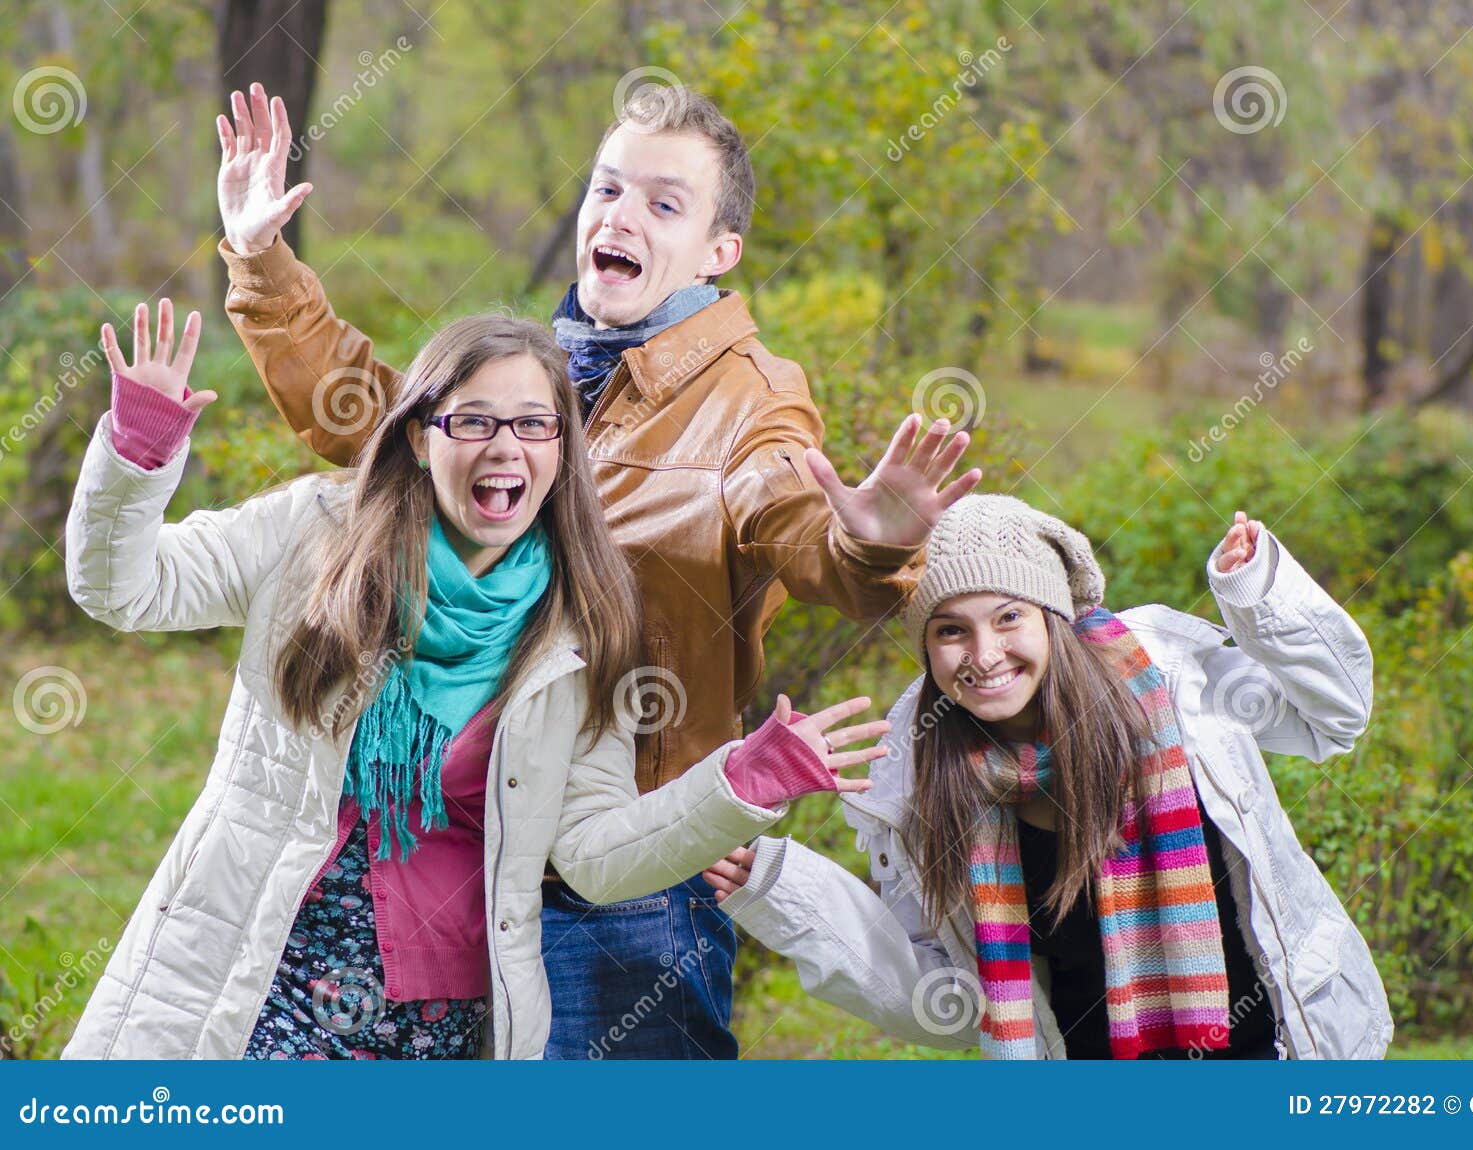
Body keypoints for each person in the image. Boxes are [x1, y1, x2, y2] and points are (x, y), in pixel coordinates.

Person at [210, 79, 979, 1059]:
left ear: (718, 252)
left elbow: (788, 513)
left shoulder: (753, 401)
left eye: (665, 203)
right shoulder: (537, 369)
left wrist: (869, 538)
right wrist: (261, 259)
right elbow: (370, 415)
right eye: (607, 190)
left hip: (622, 880)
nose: (620, 216)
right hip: (464, 844)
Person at [60, 298, 889, 1060]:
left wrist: (739, 782)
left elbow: (592, 854)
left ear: (562, 452)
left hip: (448, 1025)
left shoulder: (585, 626)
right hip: (266, 979)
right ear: (422, 437)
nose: (506, 448)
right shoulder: (315, 534)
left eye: (534, 425)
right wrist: (138, 452)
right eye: (475, 421)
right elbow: (128, 588)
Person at [705, 494, 1394, 1059]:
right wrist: (783, 891)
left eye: (1008, 618)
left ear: (1052, 619)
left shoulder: (1167, 679)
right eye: (950, 631)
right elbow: (941, 995)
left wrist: (1260, 598)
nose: (984, 655)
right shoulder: (917, 771)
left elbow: (1334, 716)